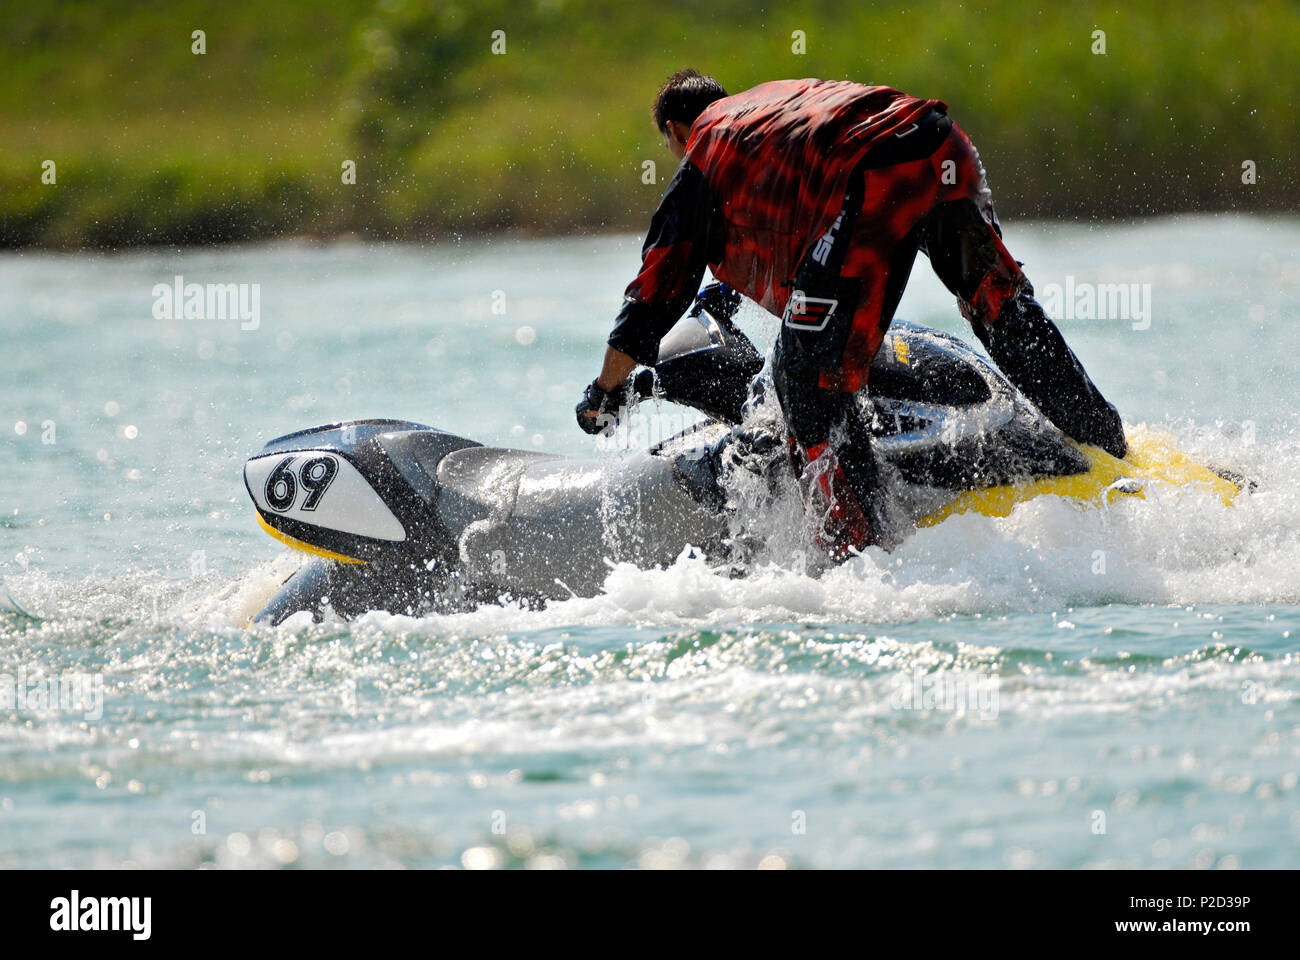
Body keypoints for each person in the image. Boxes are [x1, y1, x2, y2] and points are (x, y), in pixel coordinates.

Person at [577, 69, 1126, 560]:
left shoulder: (704, 153)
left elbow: (655, 293)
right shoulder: (768, 109)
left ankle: (862, 558)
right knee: (1000, 310)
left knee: (804, 386)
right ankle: (1112, 449)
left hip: (868, 179)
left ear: (675, 131)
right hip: (939, 144)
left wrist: (605, 392)